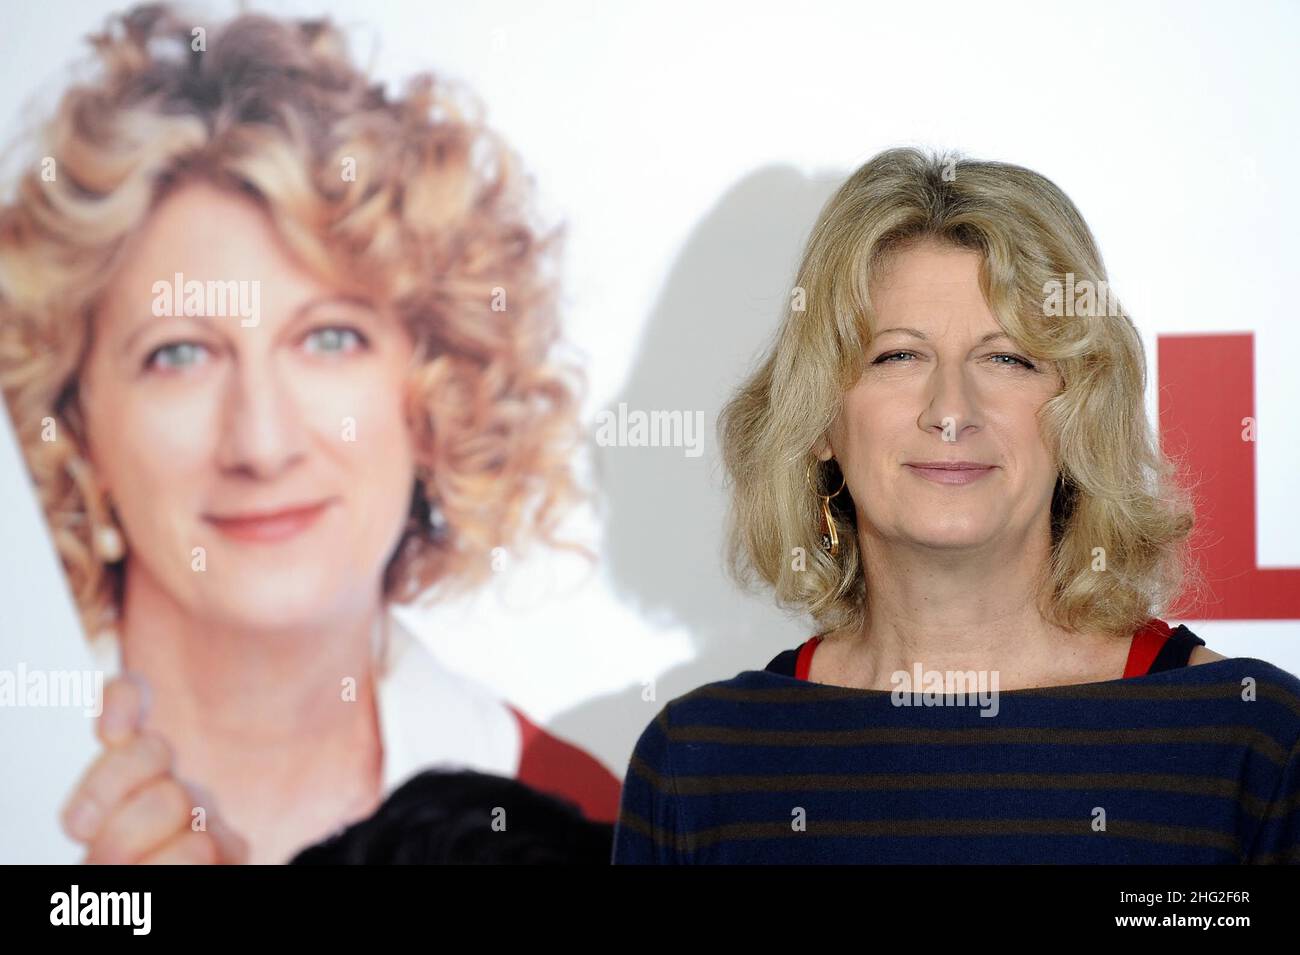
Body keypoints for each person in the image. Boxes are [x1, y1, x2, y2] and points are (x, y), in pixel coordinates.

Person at [0, 4, 618, 864]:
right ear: (75, 422)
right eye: (179, 354)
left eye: (330, 338)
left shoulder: (584, 819)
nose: (261, 441)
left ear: (438, 386)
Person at [613, 147, 1300, 864]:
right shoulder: (698, 767)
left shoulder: (1252, 748)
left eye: (1008, 358)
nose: (951, 411)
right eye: (897, 357)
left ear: (1081, 414)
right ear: (818, 420)